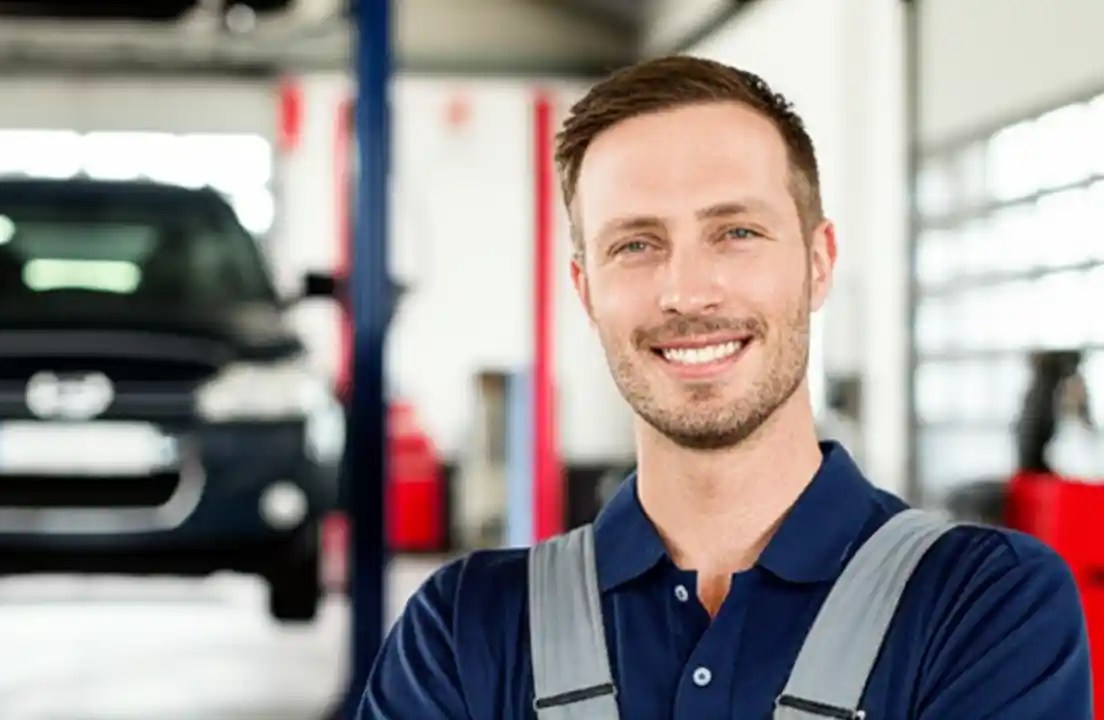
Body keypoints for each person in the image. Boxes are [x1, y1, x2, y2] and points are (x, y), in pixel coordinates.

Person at [356, 55, 1092, 718]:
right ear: (586, 290)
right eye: (635, 244)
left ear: (818, 261)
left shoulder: (985, 608)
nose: (686, 291)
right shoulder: (462, 632)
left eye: (735, 232)